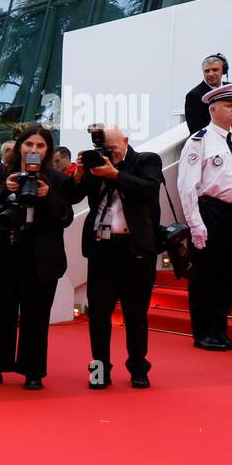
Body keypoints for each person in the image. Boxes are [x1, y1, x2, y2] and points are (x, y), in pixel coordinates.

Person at [0, 125, 75, 390]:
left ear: (47, 150)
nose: (34, 151)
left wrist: (47, 195)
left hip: (40, 257)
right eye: (29, 145)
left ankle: (33, 371)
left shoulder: (57, 180)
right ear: (20, 147)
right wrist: (5, 189)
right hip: (3, 253)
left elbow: (66, 217)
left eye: (40, 146)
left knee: (36, 315)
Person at [73, 126, 163, 388]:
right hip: (101, 250)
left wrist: (115, 174)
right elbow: (74, 195)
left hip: (136, 250)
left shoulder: (146, 160)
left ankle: (138, 368)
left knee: (136, 314)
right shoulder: (95, 165)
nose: (109, 153)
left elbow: (149, 189)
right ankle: (100, 369)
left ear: (125, 141)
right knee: (99, 314)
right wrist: (80, 173)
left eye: (113, 148)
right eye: (105, 149)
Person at [176, 83, 232, 351]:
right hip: (211, 213)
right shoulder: (198, 141)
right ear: (213, 109)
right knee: (205, 276)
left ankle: (220, 330)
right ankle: (204, 333)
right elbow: (187, 185)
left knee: (229, 275)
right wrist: (195, 224)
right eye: (228, 104)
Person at [184, 53, 227, 137]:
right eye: (207, 71)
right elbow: (196, 128)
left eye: (215, 70)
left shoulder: (231, 88)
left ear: (223, 71)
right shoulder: (193, 95)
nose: (210, 74)